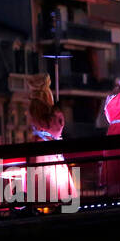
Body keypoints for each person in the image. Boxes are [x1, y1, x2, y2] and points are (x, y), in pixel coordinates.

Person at [27, 74, 77, 207]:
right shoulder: (51, 115)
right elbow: (57, 127)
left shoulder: (33, 109)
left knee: (42, 180)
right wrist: (59, 113)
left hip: (38, 148)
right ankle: (55, 204)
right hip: (49, 149)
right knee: (53, 179)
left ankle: (42, 204)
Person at [101, 78, 120, 196]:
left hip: (112, 131)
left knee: (112, 161)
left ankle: (112, 193)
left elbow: (108, 117)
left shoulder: (110, 98)